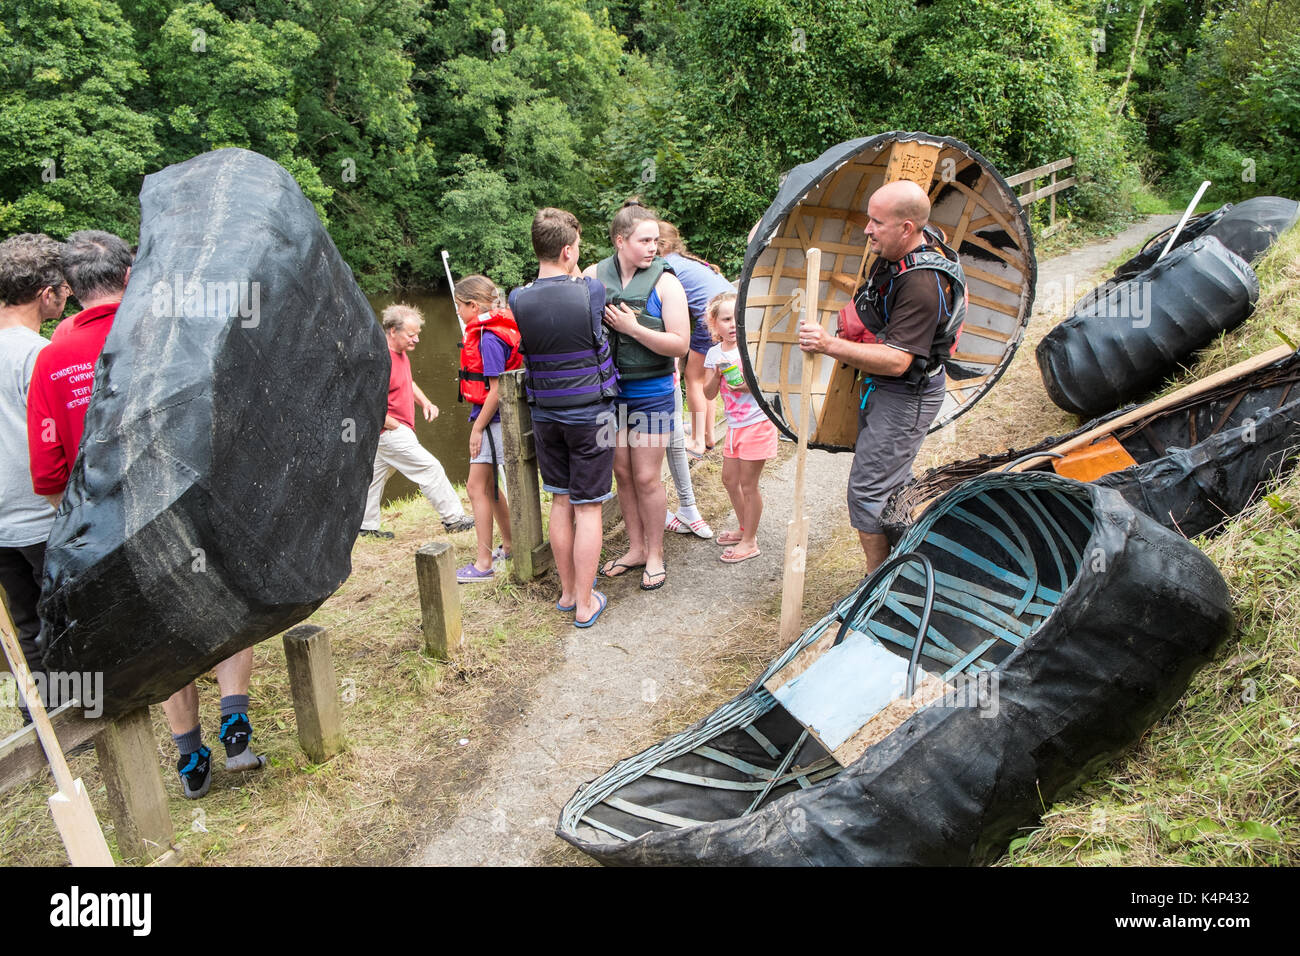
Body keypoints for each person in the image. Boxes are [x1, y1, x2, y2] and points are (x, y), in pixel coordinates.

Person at [27, 231, 266, 798]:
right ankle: (236, 726)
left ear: (68, 289)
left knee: (158, 630)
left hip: (114, 536)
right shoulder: (171, 331)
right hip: (192, 504)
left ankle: (190, 761)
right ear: (132, 276)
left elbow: (48, 476)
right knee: (230, 604)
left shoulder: (52, 360)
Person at [797, 180, 966, 573]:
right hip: (887, 388)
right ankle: (909, 561)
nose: (867, 229)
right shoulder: (901, 248)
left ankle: (877, 579)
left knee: (868, 489)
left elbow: (897, 361)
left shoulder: (923, 283)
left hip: (907, 393)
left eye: (877, 222)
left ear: (907, 228)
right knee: (894, 482)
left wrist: (827, 345)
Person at [509, 208, 617, 627]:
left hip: (546, 414)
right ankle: (587, 603)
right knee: (588, 508)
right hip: (591, 413)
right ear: (568, 250)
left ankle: (569, 592)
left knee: (559, 499)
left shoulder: (517, 298)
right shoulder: (590, 290)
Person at [585, 200, 690, 591]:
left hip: (652, 393)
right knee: (622, 473)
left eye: (656, 241)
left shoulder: (667, 283)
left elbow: (680, 345)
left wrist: (632, 328)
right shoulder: (593, 275)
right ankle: (635, 548)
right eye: (645, 240)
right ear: (620, 241)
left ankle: (657, 554)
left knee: (646, 476)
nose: (653, 248)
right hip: (607, 397)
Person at [0, 234, 67, 720]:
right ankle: (77, 718)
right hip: (41, 514)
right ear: (46, 293)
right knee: (62, 623)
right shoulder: (38, 354)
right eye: (63, 288)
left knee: (27, 625)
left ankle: (39, 714)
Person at [360, 303, 474, 539]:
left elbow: (407, 382)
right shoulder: (379, 360)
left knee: (373, 478)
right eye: (411, 335)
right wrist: (392, 424)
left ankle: (366, 526)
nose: (417, 340)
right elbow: (364, 402)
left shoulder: (400, 354)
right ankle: (454, 519)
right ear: (393, 331)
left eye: (418, 334)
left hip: (390, 432)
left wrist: (426, 402)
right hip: (390, 432)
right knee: (429, 468)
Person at [453, 275, 520, 582]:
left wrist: (477, 428)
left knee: (476, 487)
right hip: (494, 419)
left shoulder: (488, 338)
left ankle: (483, 564)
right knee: (490, 487)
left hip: (492, 421)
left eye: (458, 306)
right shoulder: (492, 330)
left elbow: (496, 390)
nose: (458, 313)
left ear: (473, 305)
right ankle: (508, 545)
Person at [703, 292, 776, 563]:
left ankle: (750, 541)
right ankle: (745, 527)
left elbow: (764, 386)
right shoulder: (713, 354)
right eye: (725, 319)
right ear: (714, 323)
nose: (732, 324)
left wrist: (743, 384)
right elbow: (709, 394)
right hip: (735, 426)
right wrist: (719, 374)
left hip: (757, 423)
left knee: (748, 484)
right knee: (729, 480)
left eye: (737, 317)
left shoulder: (751, 346)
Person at [657, 221, 733, 460]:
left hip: (711, 315)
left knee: (693, 378)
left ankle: (698, 440)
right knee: (704, 377)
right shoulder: (686, 260)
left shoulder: (666, 264)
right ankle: (708, 436)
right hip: (728, 310)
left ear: (663, 245)